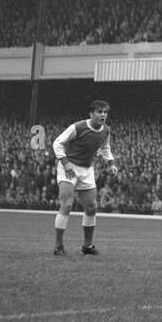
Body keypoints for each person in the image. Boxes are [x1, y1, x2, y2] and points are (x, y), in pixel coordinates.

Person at [51, 100, 119, 256]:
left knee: (92, 207)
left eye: (105, 112)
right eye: (100, 112)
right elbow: (57, 143)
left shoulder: (106, 130)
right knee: (67, 204)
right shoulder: (78, 127)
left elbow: (105, 149)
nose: (103, 115)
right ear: (91, 114)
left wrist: (111, 163)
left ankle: (87, 246)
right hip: (68, 168)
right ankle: (58, 246)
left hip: (87, 170)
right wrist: (65, 162)